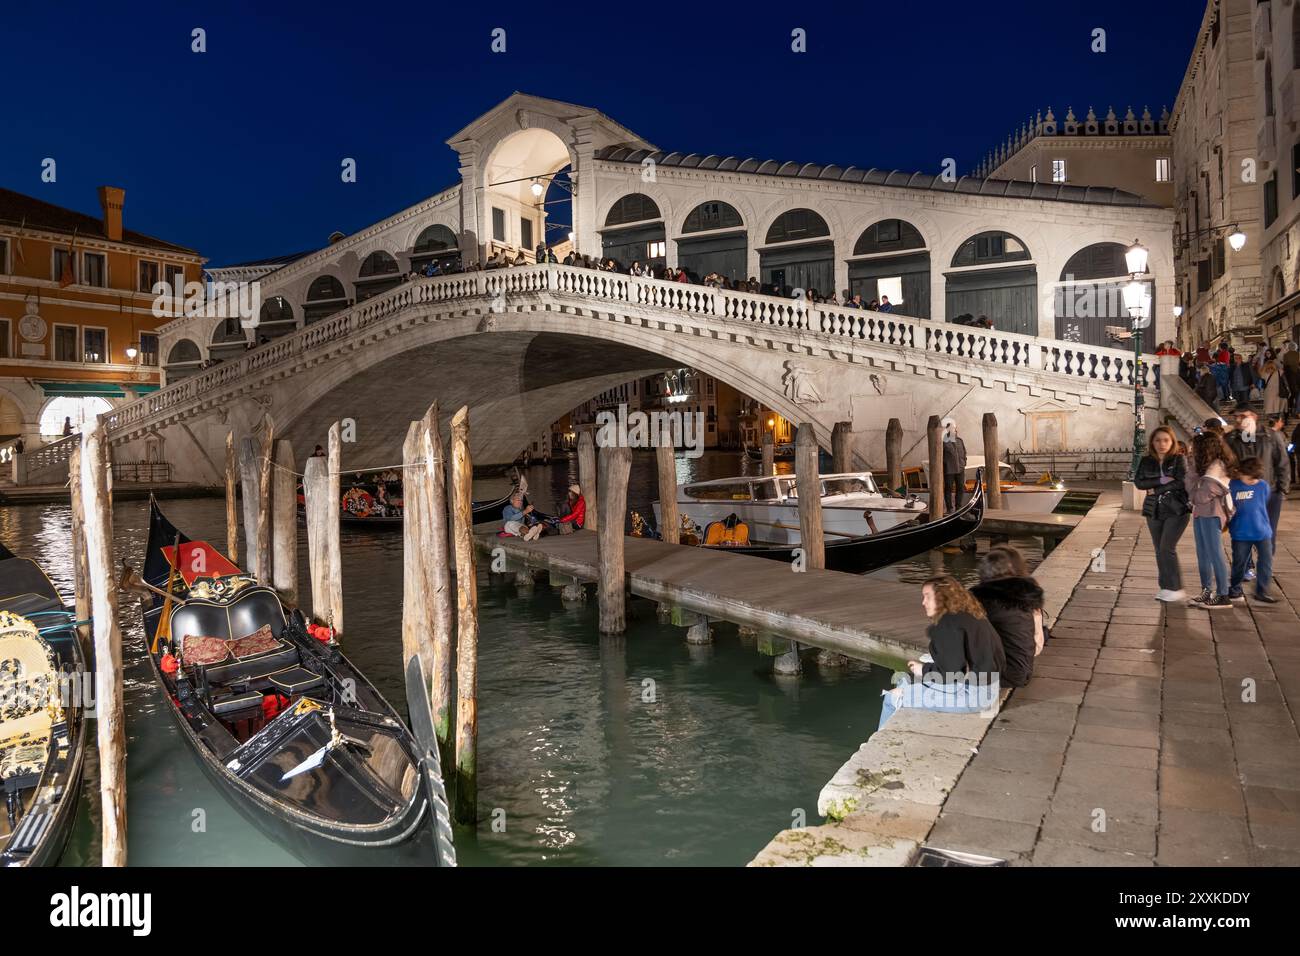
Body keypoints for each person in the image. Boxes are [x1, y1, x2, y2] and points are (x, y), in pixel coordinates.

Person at [877, 575, 1005, 729]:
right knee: (907, 684)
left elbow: (950, 673)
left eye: (927, 597)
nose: (923, 602)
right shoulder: (970, 615)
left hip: (973, 697)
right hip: (989, 687)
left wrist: (923, 669)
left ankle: (873, 747)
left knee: (892, 697)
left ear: (942, 597)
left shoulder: (948, 625)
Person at [970, 545, 1045, 688]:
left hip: (1002, 674)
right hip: (1023, 668)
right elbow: (1036, 642)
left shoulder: (981, 598)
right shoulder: (1028, 594)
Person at [1133, 426, 1190, 602]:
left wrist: (1156, 489)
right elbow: (1139, 483)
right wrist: (1162, 480)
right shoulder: (1146, 461)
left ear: (1172, 441)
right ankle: (1165, 586)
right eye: (1158, 440)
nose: (1161, 444)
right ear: (1152, 442)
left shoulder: (1179, 459)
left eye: (1166, 440)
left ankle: (1175, 588)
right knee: (1159, 550)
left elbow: (1181, 482)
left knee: (1167, 547)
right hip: (1153, 510)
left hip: (1176, 509)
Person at [1185, 431, 1236, 609]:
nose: (1191, 452)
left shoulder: (1217, 467)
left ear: (1205, 449)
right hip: (1201, 513)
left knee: (1215, 554)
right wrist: (1192, 469)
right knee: (1203, 554)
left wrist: (1192, 480)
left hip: (1212, 514)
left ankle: (1223, 595)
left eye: (1195, 449)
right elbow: (1193, 491)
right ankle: (1207, 590)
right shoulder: (1207, 467)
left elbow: (1199, 496)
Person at [1226, 457, 1276, 604]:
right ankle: (1235, 589)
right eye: (1248, 479)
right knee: (1239, 563)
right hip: (1241, 533)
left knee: (1266, 562)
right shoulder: (1232, 486)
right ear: (1240, 473)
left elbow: (1263, 504)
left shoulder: (1263, 486)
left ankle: (1262, 591)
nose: (1252, 482)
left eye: (1255, 479)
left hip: (1263, 532)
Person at [940, 419, 967, 511]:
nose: (954, 429)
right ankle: (949, 508)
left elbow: (964, 452)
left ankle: (958, 507)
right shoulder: (944, 441)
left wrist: (964, 463)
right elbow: (940, 455)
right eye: (951, 428)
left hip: (960, 469)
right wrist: (945, 464)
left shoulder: (960, 440)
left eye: (954, 428)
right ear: (947, 429)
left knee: (960, 488)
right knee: (948, 489)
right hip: (949, 469)